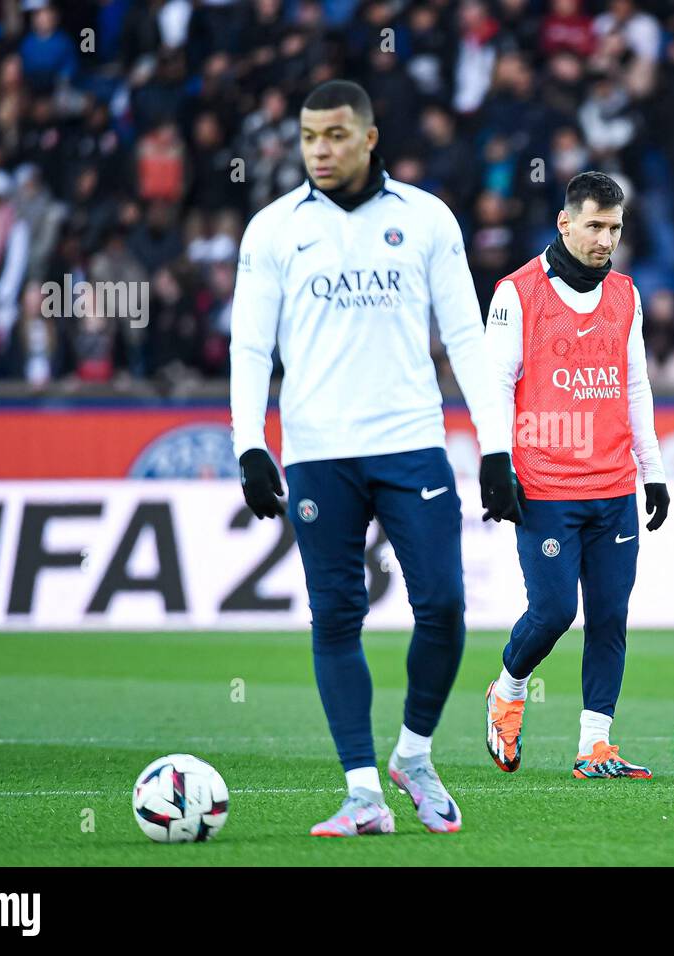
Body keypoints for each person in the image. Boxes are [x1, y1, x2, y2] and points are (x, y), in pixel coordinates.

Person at [229, 80, 519, 838]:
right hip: (319, 452)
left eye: (333, 134)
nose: (319, 150)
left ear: (368, 136)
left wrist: (496, 447)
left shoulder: (426, 218)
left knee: (445, 607)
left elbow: (464, 335)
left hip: (411, 443)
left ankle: (414, 756)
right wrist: (249, 443)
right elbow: (250, 344)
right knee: (336, 619)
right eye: (306, 136)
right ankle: (362, 792)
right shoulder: (271, 229)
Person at [482, 171, 668, 779]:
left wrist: (654, 472)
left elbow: (635, 386)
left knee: (610, 615)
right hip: (546, 484)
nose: (605, 239)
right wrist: (496, 465)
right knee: (556, 610)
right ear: (565, 223)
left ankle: (595, 745)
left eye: (614, 228)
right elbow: (495, 387)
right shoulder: (516, 293)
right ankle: (508, 688)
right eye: (594, 226)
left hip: (614, 485)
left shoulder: (626, 295)